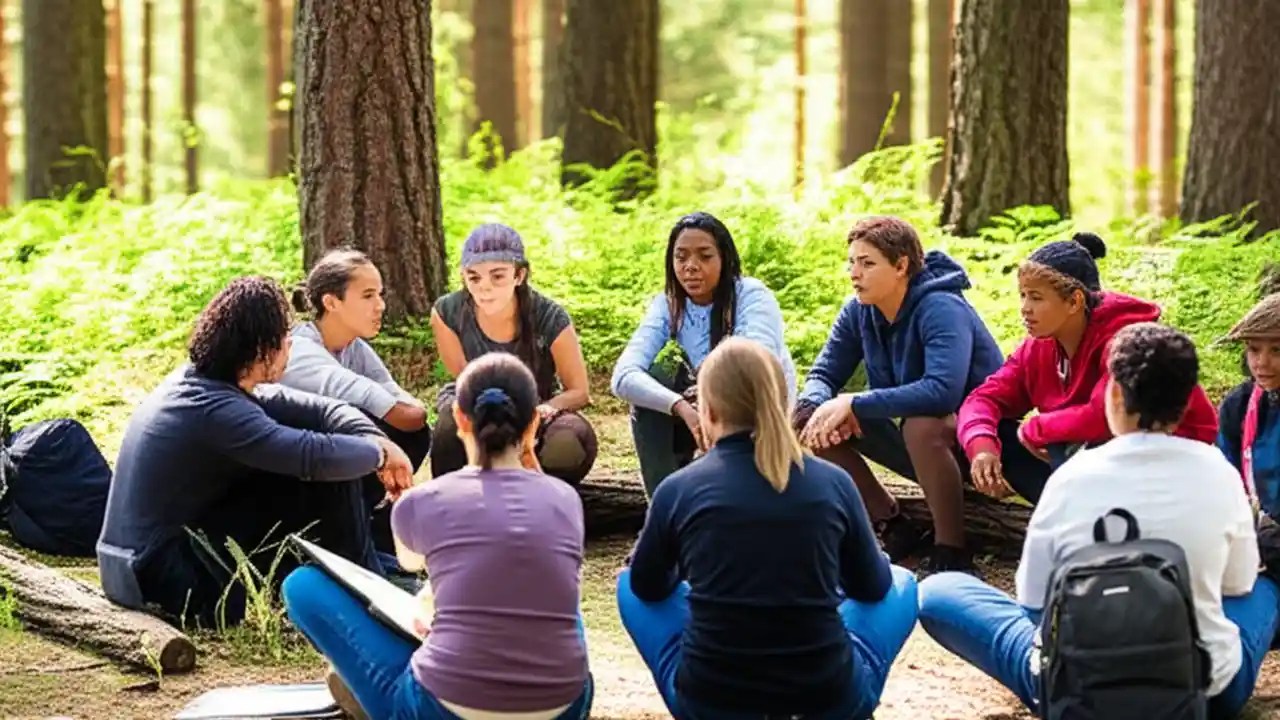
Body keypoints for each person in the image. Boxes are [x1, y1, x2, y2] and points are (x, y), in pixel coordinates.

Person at [919, 323, 1277, 720]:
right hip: (1204, 691)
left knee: (938, 592)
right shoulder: (1219, 472)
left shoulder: (1072, 476)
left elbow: (1033, 600)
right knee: (1265, 588)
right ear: (1184, 403)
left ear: (1116, 394)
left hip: (1076, 689)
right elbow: (1238, 583)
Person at [617, 337, 917, 720]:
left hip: (710, 704)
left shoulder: (678, 489)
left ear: (706, 410)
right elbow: (873, 587)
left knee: (628, 586)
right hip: (826, 701)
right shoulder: (833, 482)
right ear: (782, 402)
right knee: (902, 583)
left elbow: (647, 586)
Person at [283, 352, 594, 720]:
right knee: (553, 586)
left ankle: (375, 691)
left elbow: (410, 563)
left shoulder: (424, 501)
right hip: (565, 708)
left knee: (301, 585)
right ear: (532, 423)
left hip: (442, 710)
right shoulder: (566, 501)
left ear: (459, 418)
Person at [97, 277, 413, 627]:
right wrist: (379, 456)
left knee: (335, 452)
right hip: (163, 577)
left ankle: (369, 574)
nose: (289, 346)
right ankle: (368, 598)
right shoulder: (215, 408)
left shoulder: (208, 383)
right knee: (324, 473)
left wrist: (377, 440)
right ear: (262, 347)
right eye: (283, 338)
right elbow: (312, 456)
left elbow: (324, 409)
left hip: (134, 564)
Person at [792, 216, 1008, 573]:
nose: (854, 273)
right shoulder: (858, 311)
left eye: (867, 263)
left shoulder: (942, 308)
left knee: (921, 424)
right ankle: (893, 525)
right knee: (821, 421)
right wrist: (811, 406)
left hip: (979, 445)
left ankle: (952, 548)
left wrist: (854, 402)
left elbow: (942, 392)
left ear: (901, 265)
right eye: (851, 262)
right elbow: (823, 373)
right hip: (919, 442)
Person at [956, 232, 1219, 505]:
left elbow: (1107, 415)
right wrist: (982, 447)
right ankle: (1063, 511)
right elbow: (983, 398)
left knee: (1062, 438)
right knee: (999, 433)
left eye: (1035, 298)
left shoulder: (1125, 342)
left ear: (1074, 302)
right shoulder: (1036, 348)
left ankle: (1079, 516)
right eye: (1022, 296)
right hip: (1095, 463)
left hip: (1166, 460)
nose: (1024, 308)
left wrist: (1035, 429)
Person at [611, 211, 797, 498]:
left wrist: (709, 398)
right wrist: (679, 406)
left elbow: (754, 363)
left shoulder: (752, 296)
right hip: (700, 411)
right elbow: (624, 377)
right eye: (681, 257)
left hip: (758, 408)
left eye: (704, 256)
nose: (691, 267)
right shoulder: (668, 305)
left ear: (724, 258)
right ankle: (665, 506)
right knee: (655, 383)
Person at [281, 248, 432, 559]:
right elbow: (404, 412)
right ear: (331, 302)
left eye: (380, 294)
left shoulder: (354, 348)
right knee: (374, 429)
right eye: (367, 296)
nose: (381, 306)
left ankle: (372, 528)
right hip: (288, 474)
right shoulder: (303, 352)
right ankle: (343, 541)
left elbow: (413, 413)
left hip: (327, 466)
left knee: (416, 434)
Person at [429, 224, 598, 485]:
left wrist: (543, 411)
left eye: (497, 276)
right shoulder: (447, 312)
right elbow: (464, 379)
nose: (485, 287)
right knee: (448, 425)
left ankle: (543, 502)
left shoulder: (550, 316)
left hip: (538, 407)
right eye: (474, 277)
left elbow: (579, 391)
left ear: (519, 275)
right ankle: (456, 503)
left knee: (568, 442)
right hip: (475, 404)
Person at [1218, 292, 1280, 510]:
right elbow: (1227, 472)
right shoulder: (1238, 406)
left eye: (1276, 350)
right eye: (1254, 350)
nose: (1262, 363)